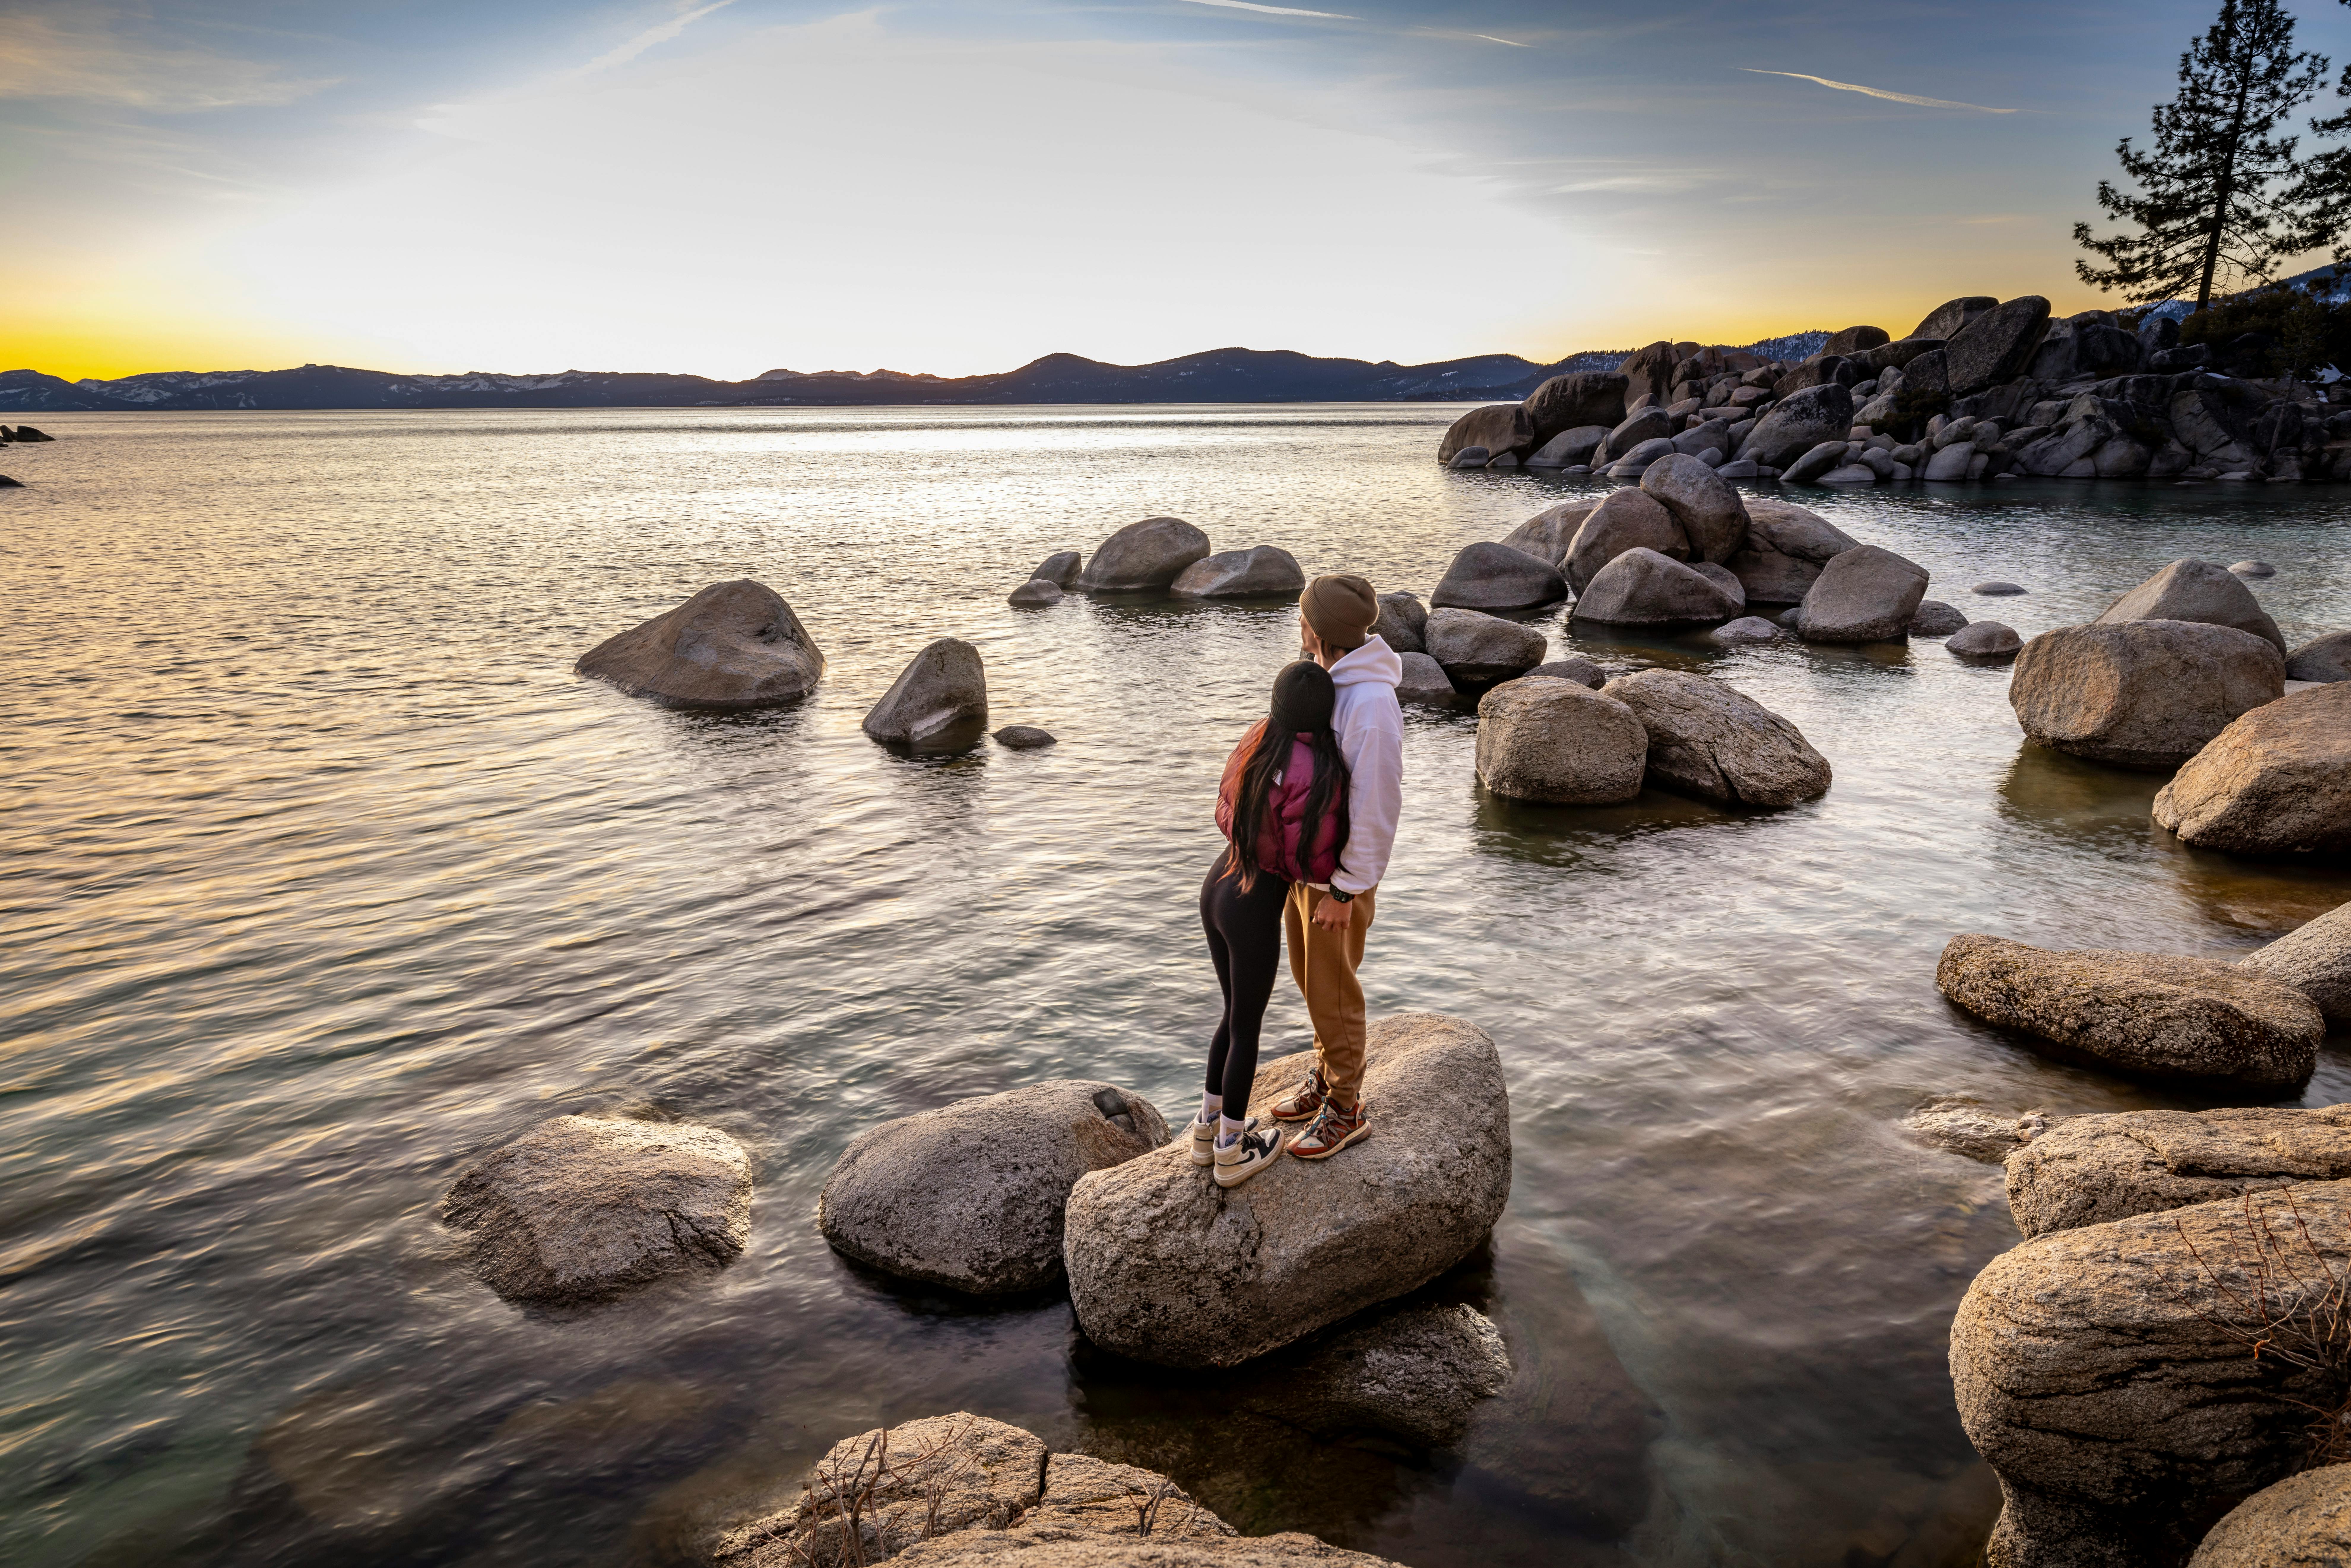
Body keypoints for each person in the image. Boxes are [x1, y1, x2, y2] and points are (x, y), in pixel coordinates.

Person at [1194, 661, 1350, 1188]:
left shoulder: (1257, 737)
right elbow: (1313, 859)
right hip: (1251, 905)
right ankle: (1232, 1151)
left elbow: (1226, 807)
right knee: (1246, 1028)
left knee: (1230, 1015)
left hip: (1216, 883)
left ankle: (1206, 1127)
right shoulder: (1319, 768)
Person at [1269, 574, 1402, 1162]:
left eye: (1302, 620)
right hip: (1311, 872)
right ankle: (1326, 1076)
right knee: (1309, 981)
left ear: (1318, 631)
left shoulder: (1370, 703)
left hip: (1337, 884)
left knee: (1334, 991)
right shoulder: (1331, 684)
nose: (1298, 629)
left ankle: (1347, 1108)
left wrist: (1346, 890)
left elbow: (1377, 802)